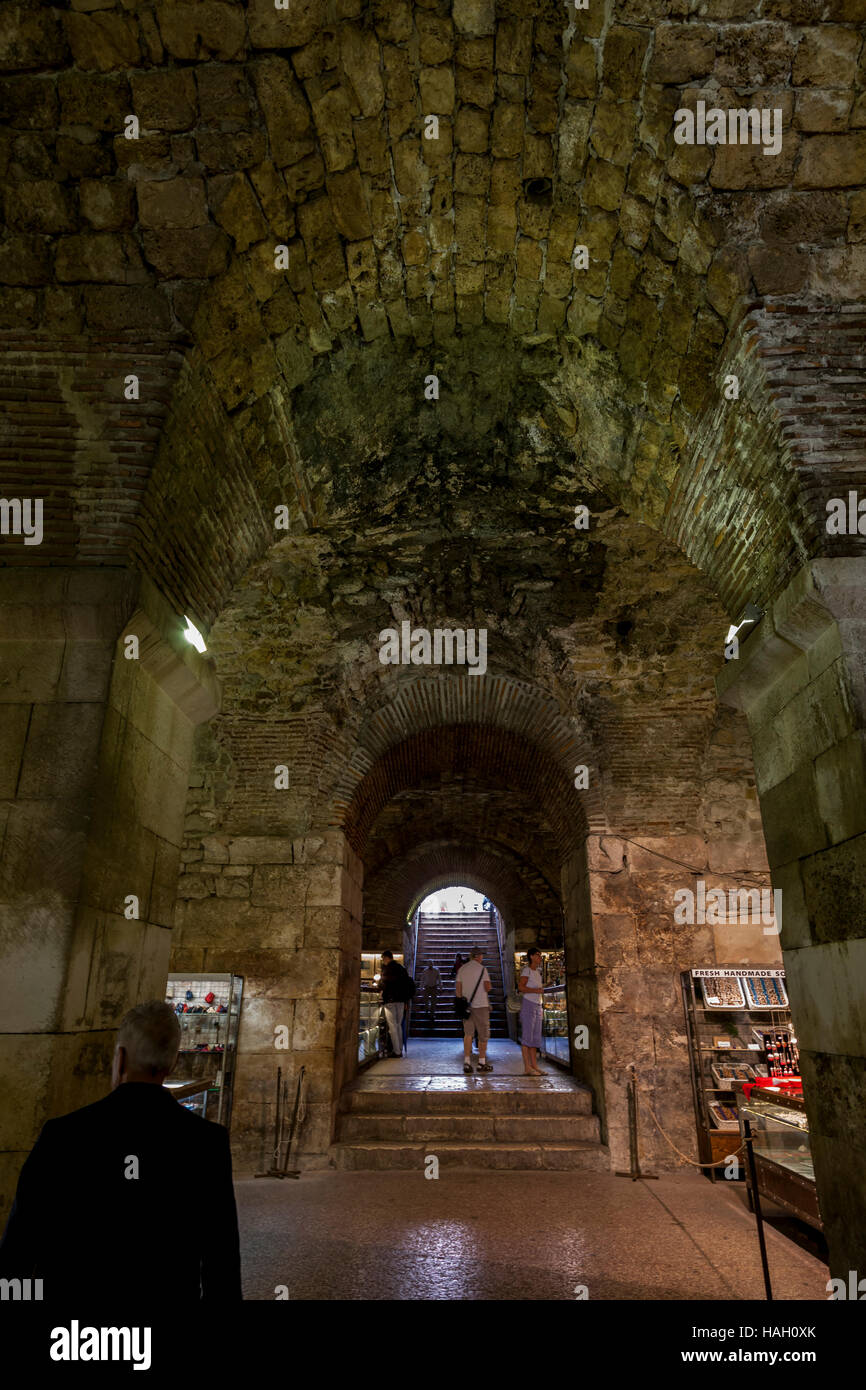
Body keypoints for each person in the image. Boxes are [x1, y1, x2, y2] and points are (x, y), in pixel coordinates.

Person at [0, 1000, 242, 1302]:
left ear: (120, 1057)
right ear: (173, 1063)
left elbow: (19, 1251)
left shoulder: (62, 1135)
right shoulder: (207, 1143)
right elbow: (222, 1266)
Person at [456, 947, 492, 1073]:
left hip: (467, 1007)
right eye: (482, 955)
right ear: (478, 956)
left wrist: (462, 1003)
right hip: (481, 1006)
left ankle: (467, 1062)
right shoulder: (483, 969)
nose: (482, 957)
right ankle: (481, 1063)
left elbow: (458, 990)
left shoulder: (462, 969)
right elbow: (488, 988)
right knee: (483, 1035)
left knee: (468, 1034)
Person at [380, 950, 414, 1057]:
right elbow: (407, 984)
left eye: (383, 959)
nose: (383, 961)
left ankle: (397, 1051)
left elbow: (384, 984)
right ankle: (400, 1049)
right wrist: (406, 1000)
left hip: (390, 1001)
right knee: (399, 1025)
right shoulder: (401, 968)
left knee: (392, 1026)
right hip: (401, 1001)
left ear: (386, 958)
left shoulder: (387, 969)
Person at [519, 946, 545, 1076]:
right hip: (528, 1004)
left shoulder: (538, 972)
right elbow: (521, 987)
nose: (540, 957)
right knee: (527, 1037)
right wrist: (537, 991)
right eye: (538, 955)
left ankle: (535, 1066)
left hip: (537, 1005)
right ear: (531, 957)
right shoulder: (526, 971)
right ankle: (527, 1067)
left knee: (535, 1037)